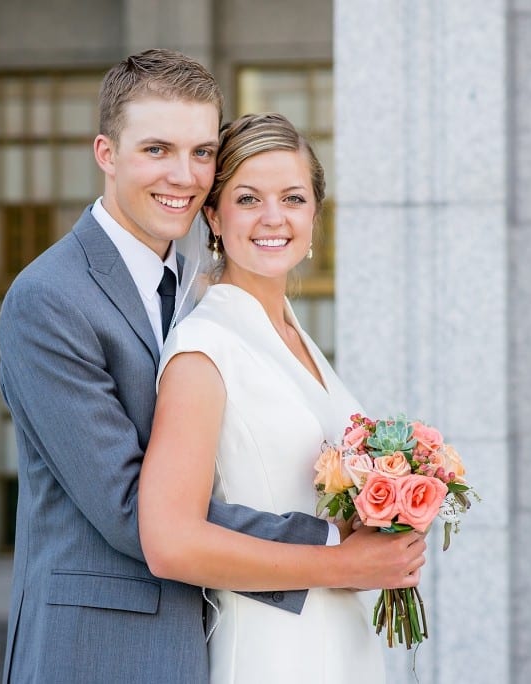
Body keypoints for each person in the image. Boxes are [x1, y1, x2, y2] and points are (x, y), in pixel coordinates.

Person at [0, 49, 422, 683]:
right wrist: (338, 549)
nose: (183, 175)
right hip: (98, 650)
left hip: (216, 635)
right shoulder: (50, 299)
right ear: (106, 154)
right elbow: (133, 513)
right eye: (157, 149)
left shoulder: (203, 298)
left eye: (201, 153)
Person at [138, 113, 424, 682]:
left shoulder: (293, 336)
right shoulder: (204, 348)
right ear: (214, 217)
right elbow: (169, 542)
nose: (274, 218)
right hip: (273, 652)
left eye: (293, 198)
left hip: (342, 641)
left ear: (315, 214)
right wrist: (344, 564)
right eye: (248, 198)